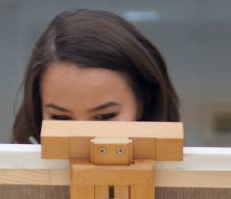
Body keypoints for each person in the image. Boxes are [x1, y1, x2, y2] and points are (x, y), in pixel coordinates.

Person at [11, 9, 180, 144]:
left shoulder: (190, 185)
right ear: (38, 111)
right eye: (60, 118)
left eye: (104, 117)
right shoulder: (2, 184)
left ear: (144, 102)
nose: (83, 140)